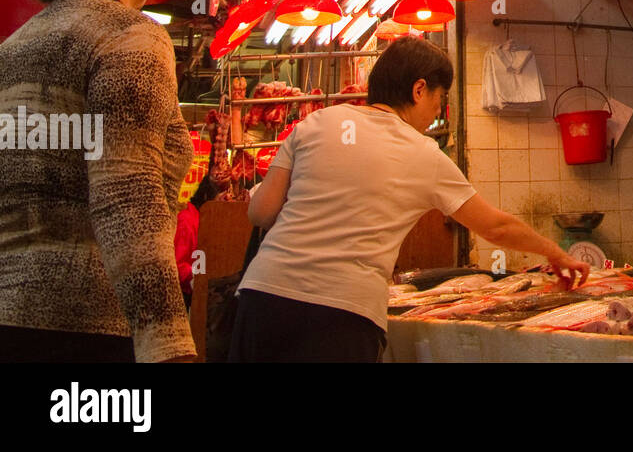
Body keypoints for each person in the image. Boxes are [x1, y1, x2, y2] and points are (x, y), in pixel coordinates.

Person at [230, 37, 590, 363]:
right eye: (439, 98)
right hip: (342, 314)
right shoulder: (425, 154)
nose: (437, 112)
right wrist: (554, 252)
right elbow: (495, 226)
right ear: (420, 89)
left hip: (263, 299)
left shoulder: (318, 122)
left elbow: (260, 212)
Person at [0, 0, 196, 363]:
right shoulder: (130, 38)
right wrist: (169, 344)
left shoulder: (10, 51)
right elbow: (129, 196)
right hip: (91, 329)